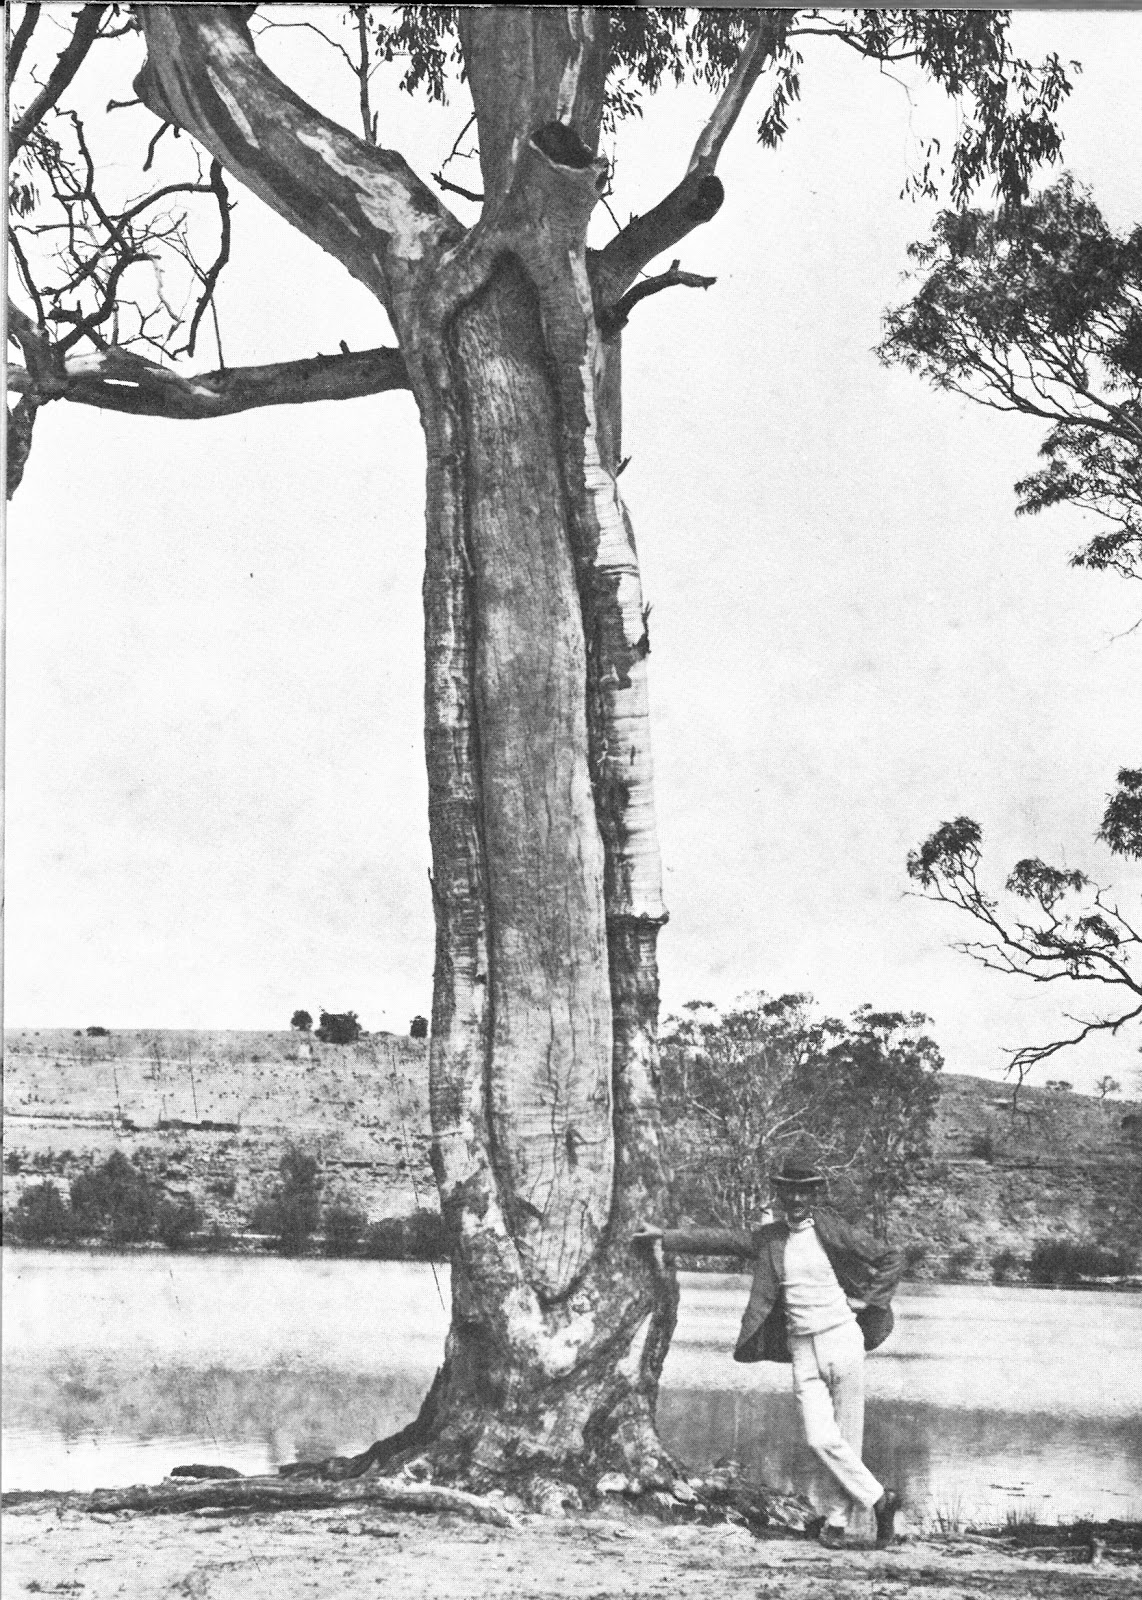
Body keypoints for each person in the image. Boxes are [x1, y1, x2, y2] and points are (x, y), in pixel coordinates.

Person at [633, 1153, 904, 1548]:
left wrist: (870, 1300)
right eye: (789, 1192)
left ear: (814, 1194)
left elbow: (891, 1257)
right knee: (820, 1438)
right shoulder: (770, 1238)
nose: (795, 1199)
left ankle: (838, 1521)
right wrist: (664, 1236)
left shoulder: (832, 1229)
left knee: (848, 1440)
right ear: (780, 1195)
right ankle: (881, 1500)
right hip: (802, 1347)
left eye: (803, 1192)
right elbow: (723, 1240)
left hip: (843, 1338)